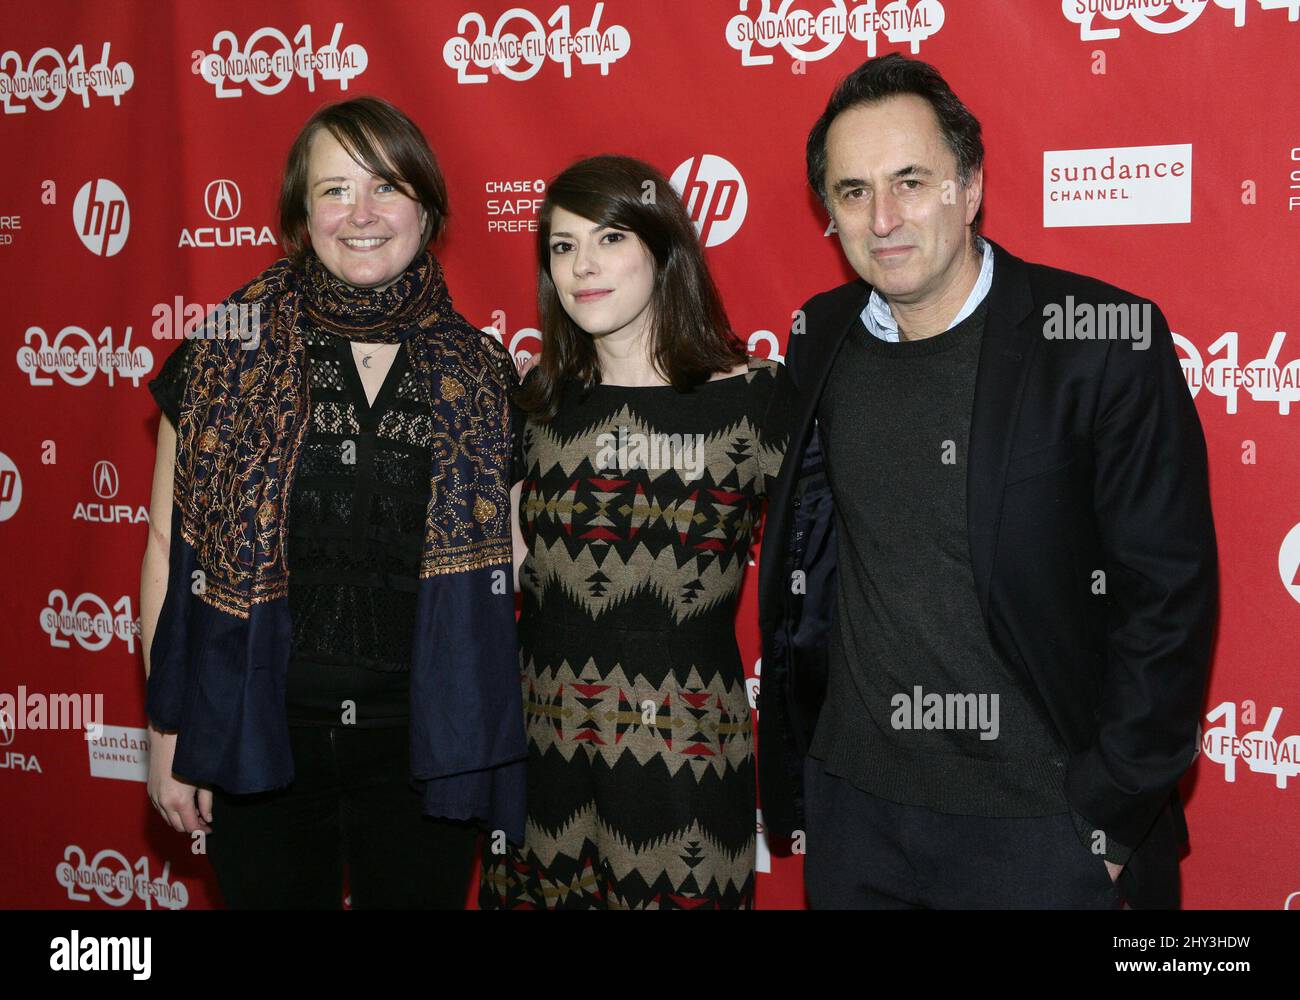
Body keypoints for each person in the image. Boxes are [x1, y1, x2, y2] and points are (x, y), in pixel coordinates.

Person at [757, 54, 1217, 909]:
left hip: (1040, 829)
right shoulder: (820, 339)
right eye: (853, 192)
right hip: (856, 813)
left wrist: (1109, 821)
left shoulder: (1099, 342)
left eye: (911, 181)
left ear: (968, 189)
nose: (883, 218)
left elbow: (1170, 597)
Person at [140, 96, 526, 909]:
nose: (362, 215)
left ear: (427, 207)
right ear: (299, 212)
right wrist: (169, 728)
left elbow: (516, 571)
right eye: (334, 190)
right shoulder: (222, 353)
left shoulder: (484, 373)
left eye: (387, 186)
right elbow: (165, 554)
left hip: (427, 746)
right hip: (258, 734)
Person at [478, 154, 789, 909]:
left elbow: (841, 571)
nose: (581, 265)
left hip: (685, 773)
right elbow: (490, 582)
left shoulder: (753, 402)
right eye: (561, 245)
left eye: (609, 238)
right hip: (541, 767)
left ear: (663, 247)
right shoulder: (535, 408)